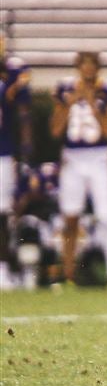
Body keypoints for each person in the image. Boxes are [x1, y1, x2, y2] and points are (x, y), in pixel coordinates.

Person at [50, 52, 107, 285]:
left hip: (99, 156)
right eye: (84, 66)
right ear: (78, 68)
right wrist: (70, 102)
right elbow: (55, 131)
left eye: (92, 66)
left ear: (99, 69)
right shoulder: (65, 89)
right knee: (70, 217)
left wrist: (92, 102)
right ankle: (68, 274)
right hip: (73, 156)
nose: (88, 70)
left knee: (106, 216)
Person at [0, 50, 32, 290]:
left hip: (3, 152)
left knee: (2, 215)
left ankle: (2, 269)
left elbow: (23, 115)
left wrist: (25, 149)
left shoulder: (11, 76)